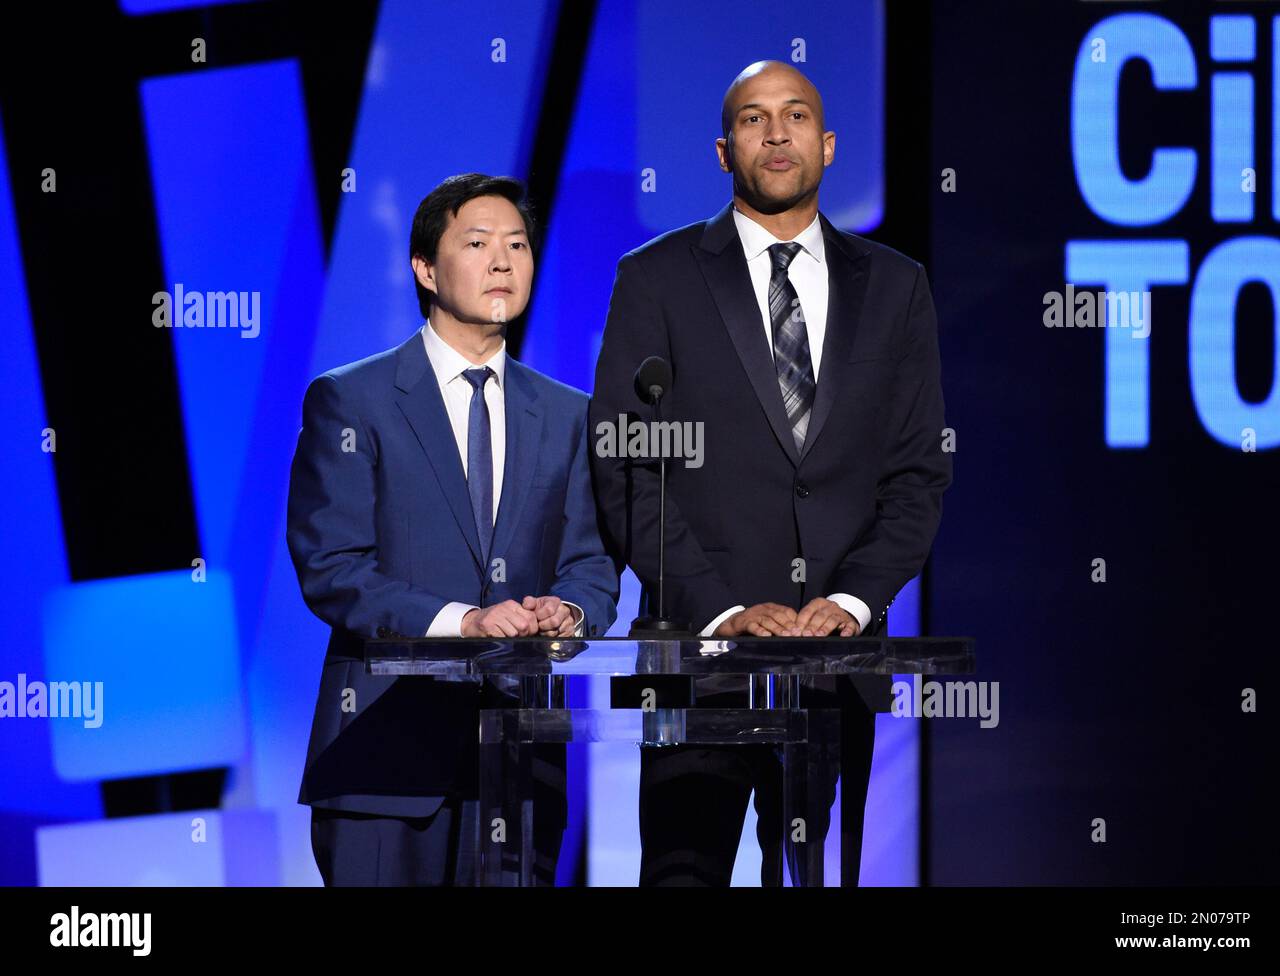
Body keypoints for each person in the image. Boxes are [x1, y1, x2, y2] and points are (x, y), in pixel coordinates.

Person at [590, 61, 952, 886]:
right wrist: (721, 610)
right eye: (754, 119)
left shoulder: (897, 288)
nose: (777, 132)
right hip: (698, 658)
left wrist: (852, 602)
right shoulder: (657, 277)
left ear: (826, 144)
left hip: (836, 666)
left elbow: (918, 472)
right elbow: (628, 464)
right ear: (724, 152)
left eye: (795, 116)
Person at [288, 173, 618, 885]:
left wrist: (571, 609)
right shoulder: (352, 398)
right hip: (382, 760)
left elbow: (591, 563)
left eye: (519, 244)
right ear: (426, 269)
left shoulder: (570, 414)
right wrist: (463, 622)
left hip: (518, 763)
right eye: (478, 243)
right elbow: (333, 567)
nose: (503, 261)